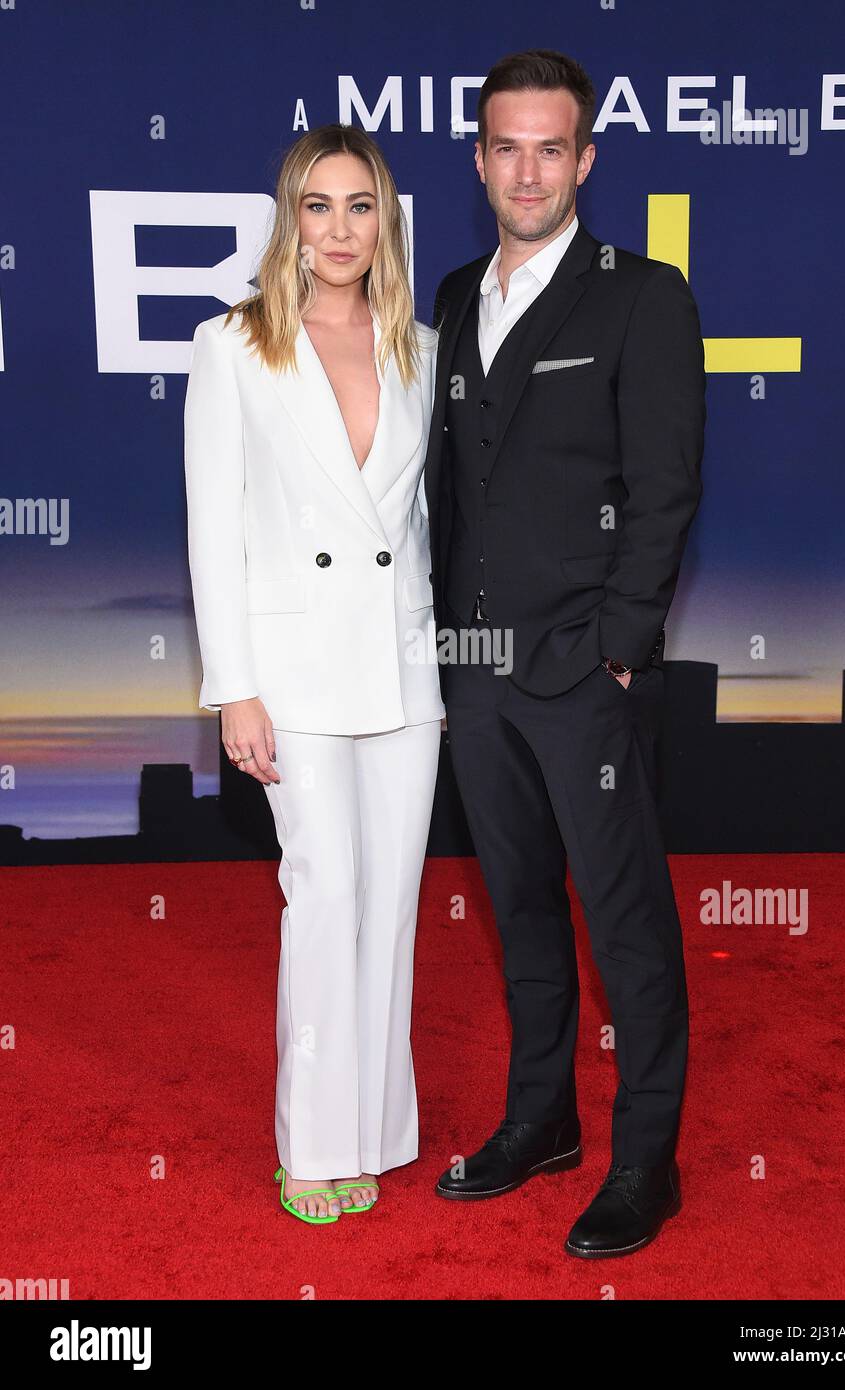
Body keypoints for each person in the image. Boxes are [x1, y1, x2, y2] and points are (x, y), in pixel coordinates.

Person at [424, 50, 706, 1257]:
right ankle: (541, 1117)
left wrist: (624, 649)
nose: (527, 169)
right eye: (506, 147)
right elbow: (444, 486)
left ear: (584, 160)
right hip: (476, 671)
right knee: (520, 906)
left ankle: (649, 1154)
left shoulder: (642, 295)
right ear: (480, 160)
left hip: (586, 674)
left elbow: (666, 487)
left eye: (552, 147)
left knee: (625, 918)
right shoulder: (448, 296)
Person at [183, 125, 445, 1225]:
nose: (341, 229)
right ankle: (313, 1141)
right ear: (289, 219)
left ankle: (376, 1131)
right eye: (319, 205)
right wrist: (234, 684)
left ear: (386, 220)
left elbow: (423, 518)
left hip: (401, 667)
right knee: (324, 893)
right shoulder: (232, 345)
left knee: (389, 907)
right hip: (293, 674)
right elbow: (214, 527)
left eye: (362, 205)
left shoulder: (421, 346)